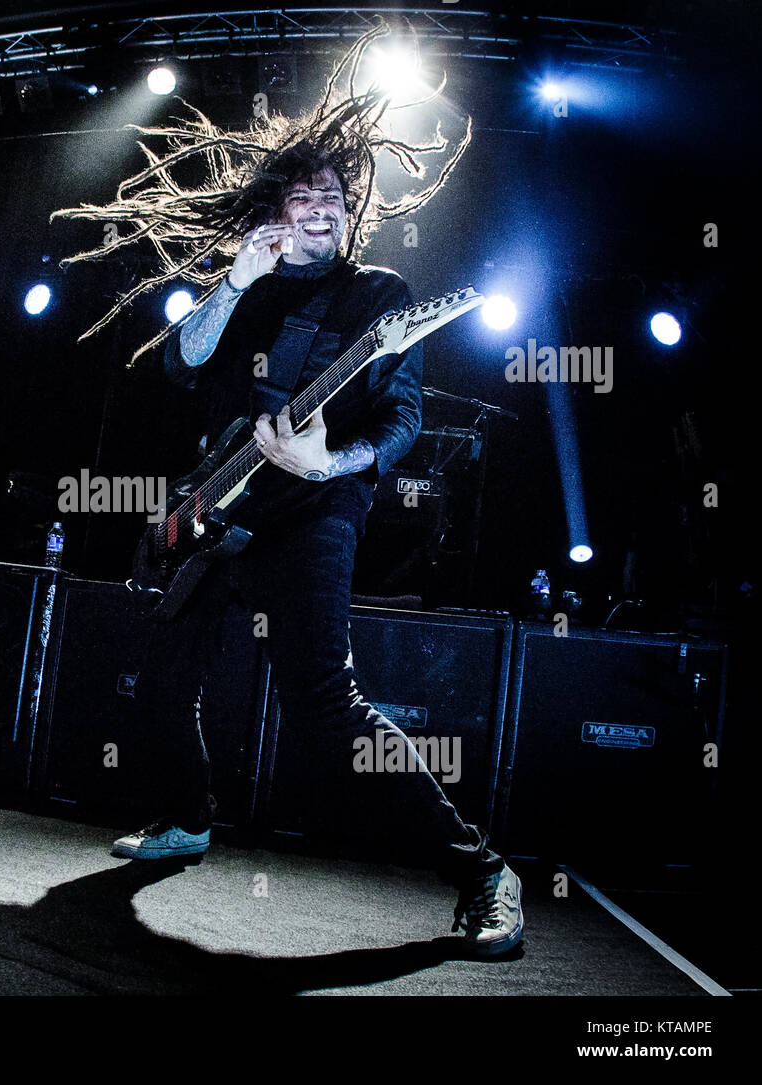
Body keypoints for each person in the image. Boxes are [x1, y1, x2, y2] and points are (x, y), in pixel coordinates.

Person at [108, 146, 524, 958]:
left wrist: (327, 462)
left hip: (315, 509)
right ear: (275, 209)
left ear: (348, 209)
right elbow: (180, 364)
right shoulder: (249, 288)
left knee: (328, 713)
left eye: (332, 194)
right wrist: (232, 283)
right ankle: (190, 819)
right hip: (221, 507)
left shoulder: (381, 299)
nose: (320, 205)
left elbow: (401, 419)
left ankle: (484, 874)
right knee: (160, 675)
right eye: (302, 194)